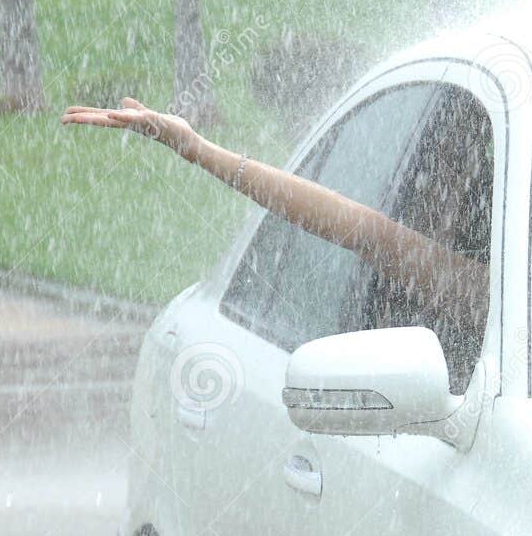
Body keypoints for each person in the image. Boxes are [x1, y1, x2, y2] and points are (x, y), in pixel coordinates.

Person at [61, 98, 490, 381]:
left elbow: (369, 232)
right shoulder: (491, 295)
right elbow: (365, 230)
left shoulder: (504, 299)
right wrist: (193, 147)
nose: (444, 196)